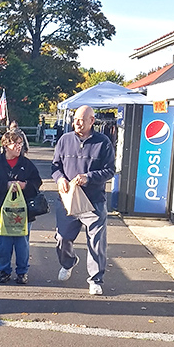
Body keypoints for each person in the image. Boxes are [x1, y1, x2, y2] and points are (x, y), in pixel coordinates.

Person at [51, 104, 115, 296]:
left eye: (81, 120)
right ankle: (68, 262)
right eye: (75, 119)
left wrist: (89, 177)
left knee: (96, 241)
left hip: (93, 201)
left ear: (92, 121)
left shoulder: (103, 142)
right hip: (68, 200)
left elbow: (110, 170)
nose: (77, 123)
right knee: (62, 238)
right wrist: (59, 178)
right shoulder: (64, 140)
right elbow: (55, 166)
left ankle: (95, 279)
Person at [0, 129, 42, 284]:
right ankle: (4, 271)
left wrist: (25, 185)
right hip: (2, 211)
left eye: (20, 143)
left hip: (23, 212)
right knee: (3, 244)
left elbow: (37, 182)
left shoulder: (26, 164)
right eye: (15, 143)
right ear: (6, 145)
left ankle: (22, 272)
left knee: (22, 243)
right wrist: (6, 185)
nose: (19, 147)